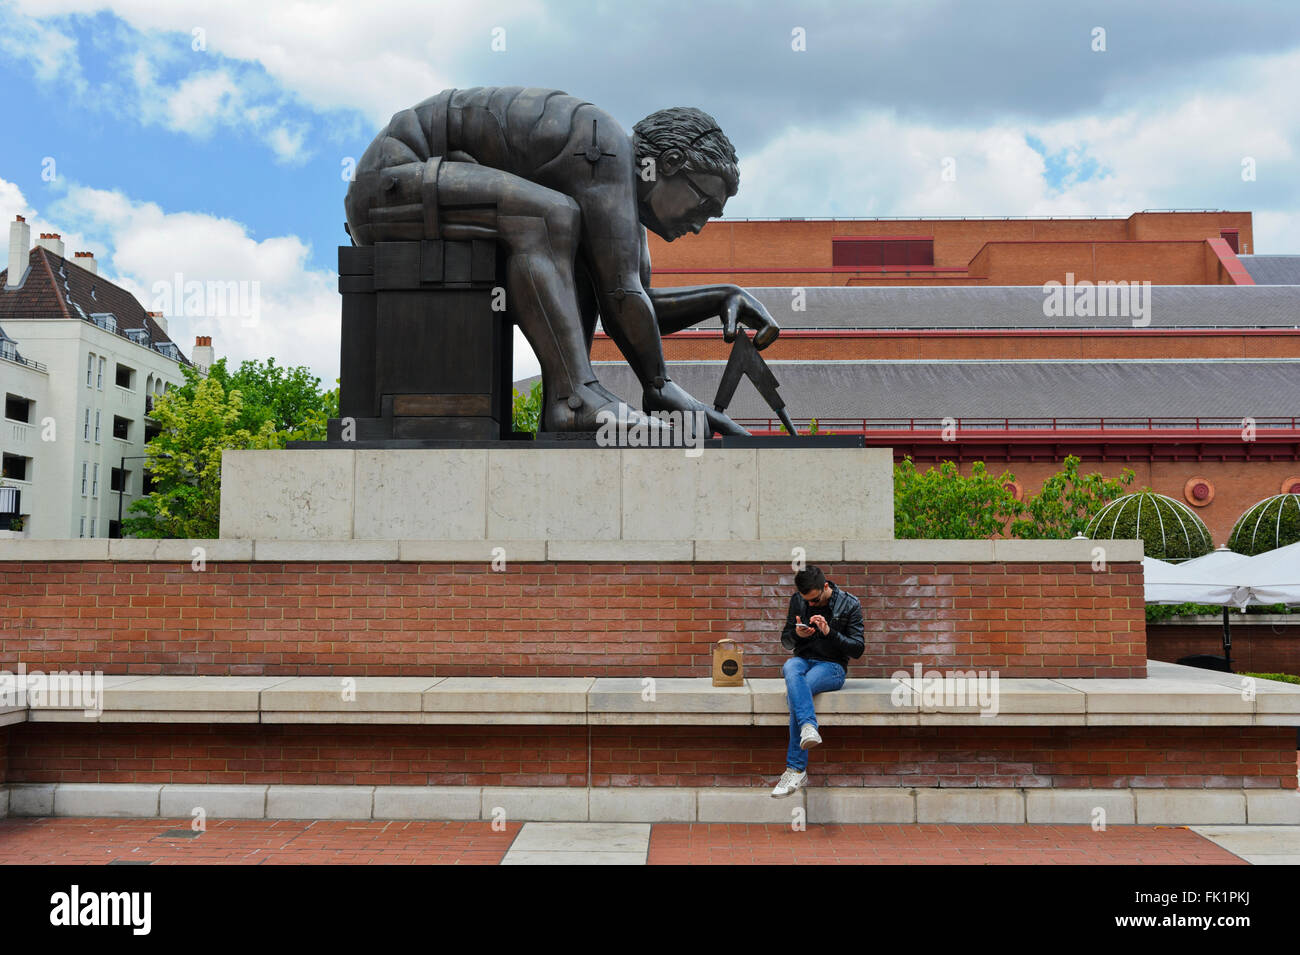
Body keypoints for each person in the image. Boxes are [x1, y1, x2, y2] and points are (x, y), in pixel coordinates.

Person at [343, 86, 780, 436]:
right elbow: (622, 296)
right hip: (389, 183)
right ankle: (574, 400)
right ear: (670, 162)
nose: (699, 225)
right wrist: (660, 386)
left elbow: (633, 307)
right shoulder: (605, 147)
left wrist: (721, 296)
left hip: (423, 188)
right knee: (548, 217)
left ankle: (567, 404)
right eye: (703, 204)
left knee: (579, 254)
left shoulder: (618, 203)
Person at [772, 565, 865, 797]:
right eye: (807, 601)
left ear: (825, 587)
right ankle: (808, 727)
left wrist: (829, 632)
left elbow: (858, 649)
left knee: (797, 695)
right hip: (803, 660)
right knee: (789, 666)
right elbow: (786, 641)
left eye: (814, 600)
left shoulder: (849, 603)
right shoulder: (798, 600)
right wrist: (797, 634)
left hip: (832, 667)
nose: (811, 604)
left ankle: (795, 769)